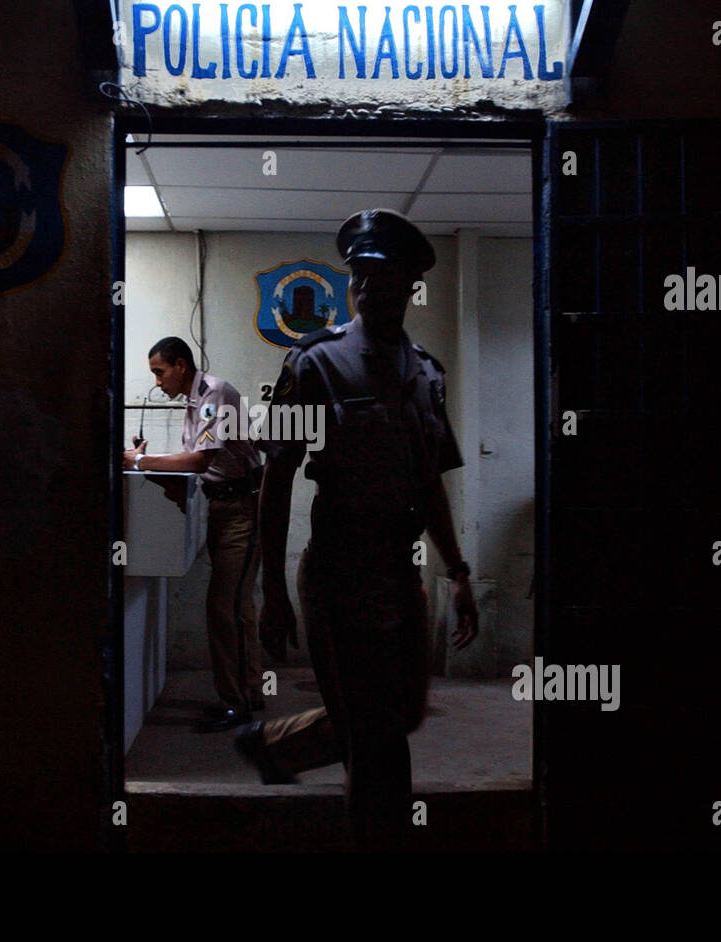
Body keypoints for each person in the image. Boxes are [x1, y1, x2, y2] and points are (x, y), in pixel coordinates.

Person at [241, 209, 479, 849]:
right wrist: (271, 587)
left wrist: (456, 569)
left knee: (401, 713)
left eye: (386, 277)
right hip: (339, 572)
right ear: (351, 286)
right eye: (360, 278)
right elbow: (278, 477)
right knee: (377, 744)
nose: (371, 288)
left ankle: (272, 749)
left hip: (399, 573)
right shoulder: (314, 364)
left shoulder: (427, 373)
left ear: (410, 286)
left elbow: (431, 482)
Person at [124, 337, 264, 733]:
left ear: (181, 365)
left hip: (241, 510)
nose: (157, 382)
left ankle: (237, 704)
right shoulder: (195, 399)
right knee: (238, 608)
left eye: (159, 371)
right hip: (223, 507)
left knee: (224, 607)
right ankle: (249, 693)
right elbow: (196, 462)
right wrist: (148, 461)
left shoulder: (213, 392)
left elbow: (201, 459)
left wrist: (141, 459)